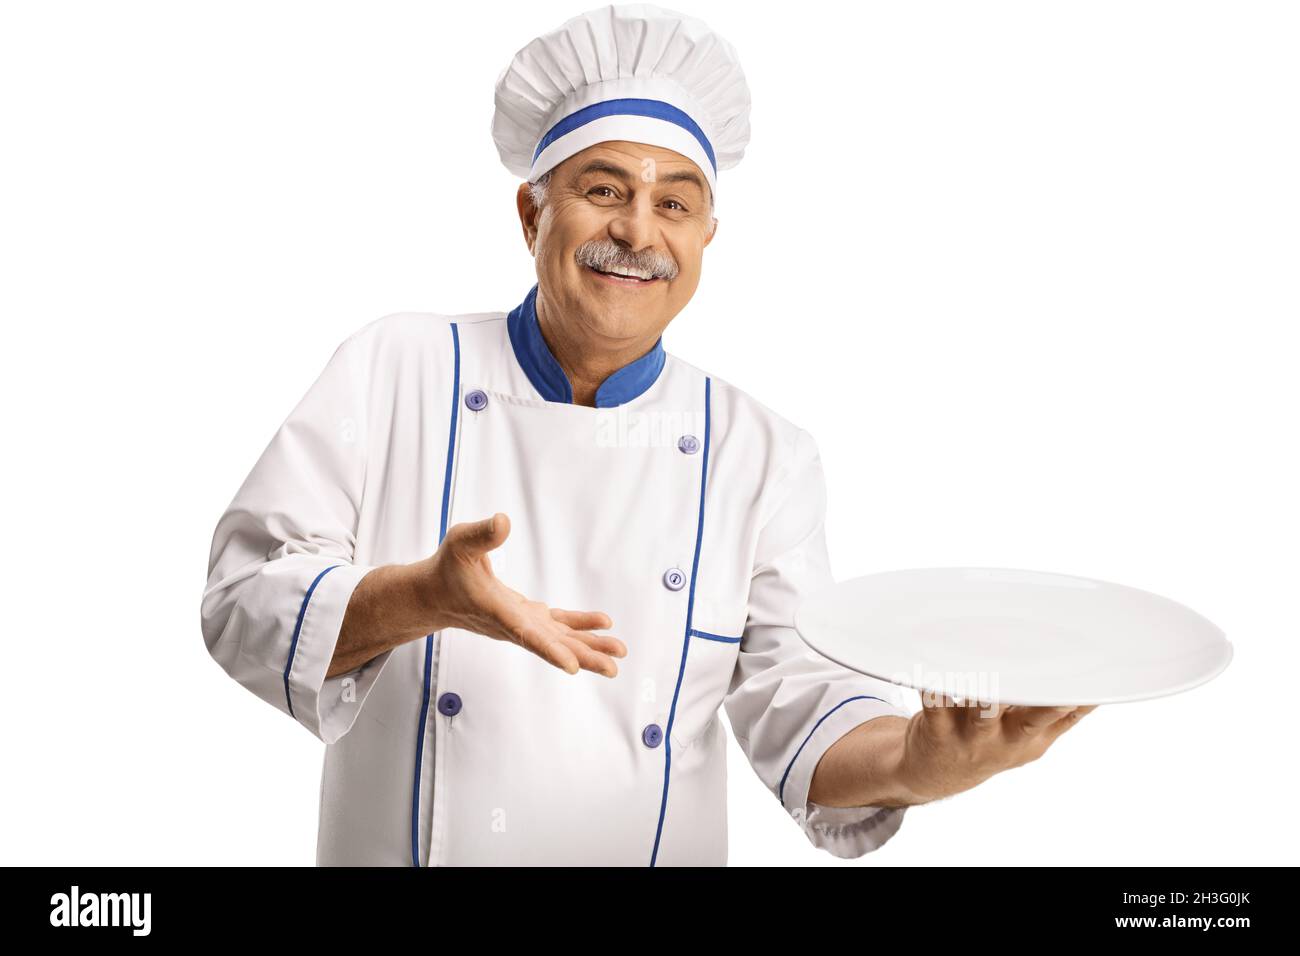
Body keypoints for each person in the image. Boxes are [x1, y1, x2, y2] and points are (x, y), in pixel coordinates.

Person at [201, 2, 1093, 867]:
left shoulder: (762, 455)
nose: (637, 231)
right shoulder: (396, 366)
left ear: (707, 235)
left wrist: (919, 762)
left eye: (674, 204)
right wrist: (421, 598)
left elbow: (802, 703)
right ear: (530, 216)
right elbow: (243, 597)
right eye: (604, 190)